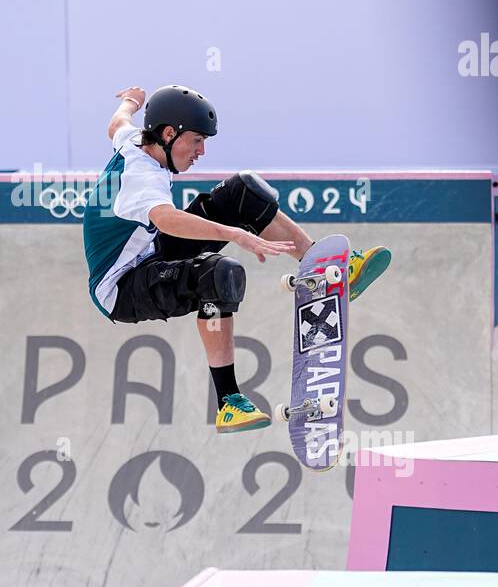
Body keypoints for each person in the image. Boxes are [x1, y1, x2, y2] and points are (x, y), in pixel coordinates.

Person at [82, 84, 391, 433]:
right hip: (122, 288)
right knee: (220, 274)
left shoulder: (134, 140)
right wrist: (234, 234)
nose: (201, 151)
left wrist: (131, 101)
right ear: (169, 134)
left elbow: (116, 123)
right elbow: (166, 219)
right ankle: (229, 403)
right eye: (197, 140)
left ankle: (325, 267)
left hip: (149, 251)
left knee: (244, 190)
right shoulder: (140, 177)